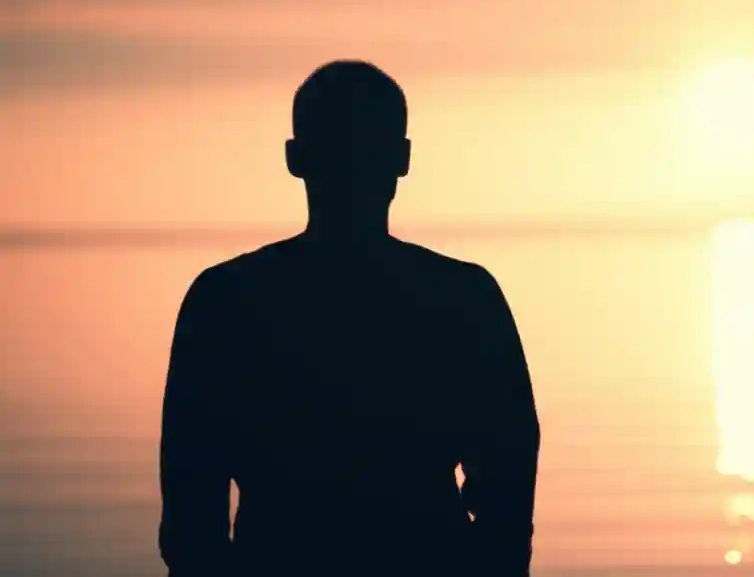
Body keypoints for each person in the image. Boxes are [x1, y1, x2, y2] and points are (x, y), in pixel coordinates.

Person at [159, 61, 539, 576]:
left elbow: (191, 514)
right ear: (402, 159)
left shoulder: (224, 300)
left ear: (295, 159)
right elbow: (508, 492)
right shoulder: (464, 298)